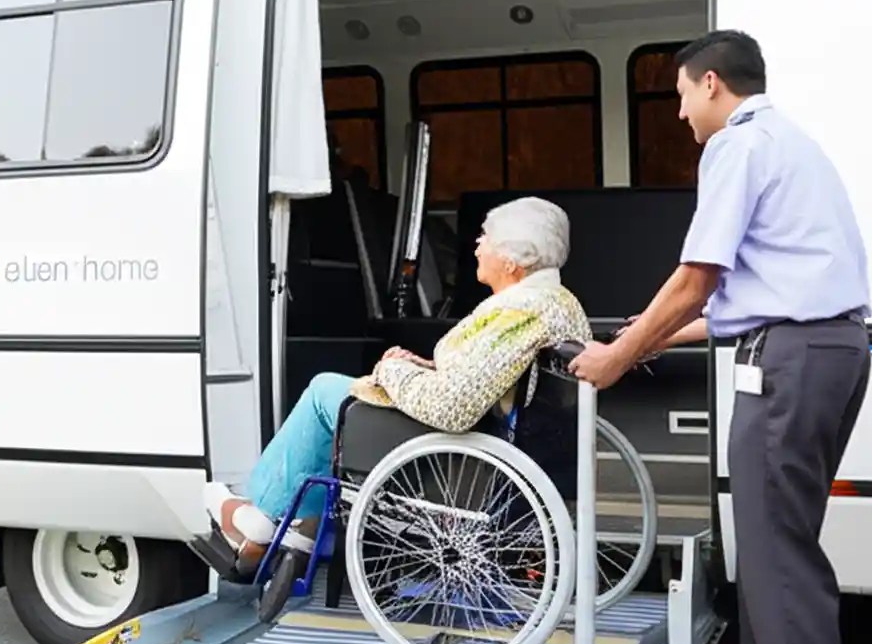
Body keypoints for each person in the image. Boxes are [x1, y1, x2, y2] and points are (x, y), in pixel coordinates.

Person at [569, 30, 871, 644]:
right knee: (776, 551)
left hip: (787, 365)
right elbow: (751, 298)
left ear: (711, 84)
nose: (679, 114)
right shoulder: (795, 143)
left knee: (777, 558)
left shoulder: (736, 144)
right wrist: (647, 338)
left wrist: (617, 356)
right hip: (835, 353)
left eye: (680, 95)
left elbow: (698, 276)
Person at [206, 196, 593, 569]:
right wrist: (422, 366)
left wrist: (392, 371)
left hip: (454, 448)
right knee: (338, 392)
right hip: (492, 435)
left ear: (512, 260)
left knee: (326, 393)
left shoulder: (518, 312)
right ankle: (295, 523)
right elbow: (489, 376)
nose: (477, 245)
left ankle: (265, 517)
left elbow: (453, 408)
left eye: (486, 237)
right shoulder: (553, 301)